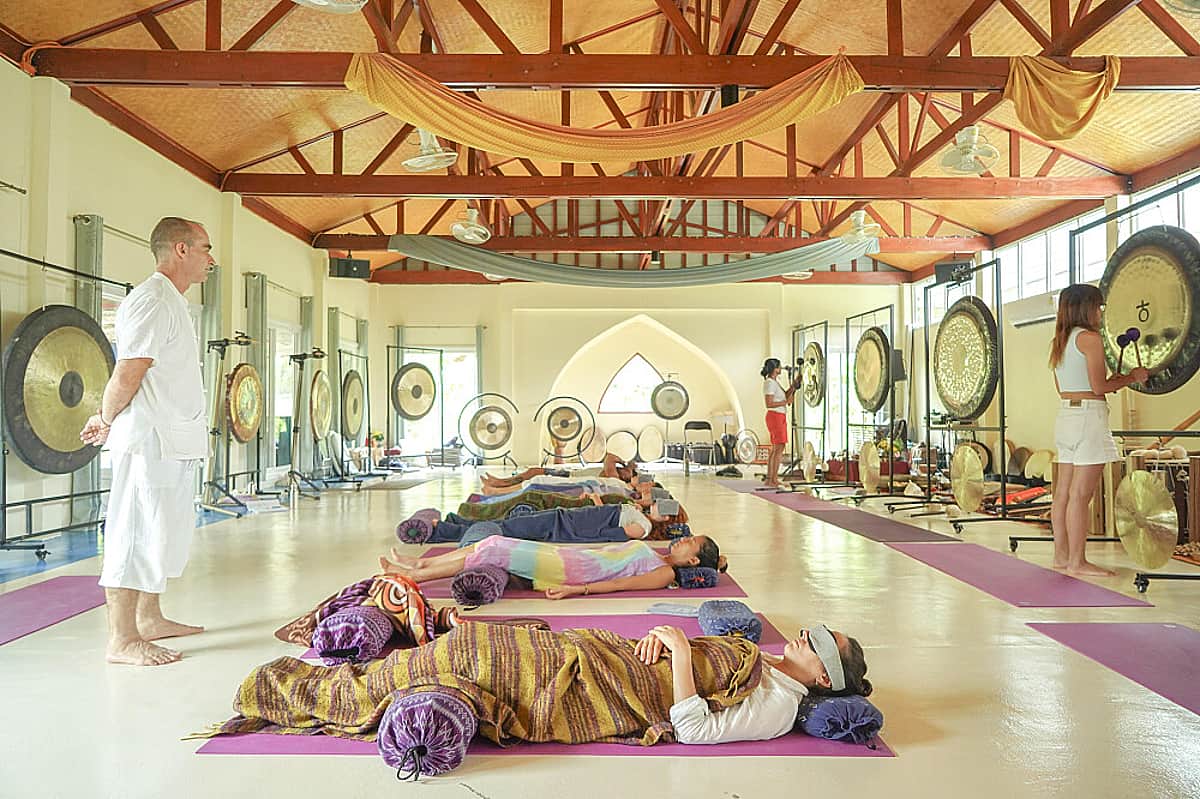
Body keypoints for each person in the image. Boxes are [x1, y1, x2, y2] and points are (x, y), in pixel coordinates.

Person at [79, 217, 214, 666]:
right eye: (204, 249)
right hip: (149, 440)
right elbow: (129, 371)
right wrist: (104, 417)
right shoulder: (152, 299)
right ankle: (121, 638)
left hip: (171, 439)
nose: (210, 259)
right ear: (180, 250)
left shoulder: (172, 302)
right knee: (133, 534)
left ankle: (149, 618)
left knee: (160, 533)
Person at [1048, 284, 1148, 577]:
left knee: (1063, 494)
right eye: (1098, 306)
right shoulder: (1090, 339)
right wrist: (1132, 377)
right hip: (1088, 419)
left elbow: (1065, 388)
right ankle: (1078, 562)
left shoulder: (1059, 341)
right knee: (1081, 495)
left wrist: (1114, 380)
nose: (1100, 312)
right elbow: (1098, 387)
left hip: (1066, 416)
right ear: (1086, 308)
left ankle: (1062, 557)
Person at [635, 623, 871, 743]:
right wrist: (659, 640)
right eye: (817, 631)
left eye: (819, 642)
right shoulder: (766, 660)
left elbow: (691, 730)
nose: (806, 634)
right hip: (639, 655)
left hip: (638, 684)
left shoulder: (779, 706)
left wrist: (680, 650)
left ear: (825, 679)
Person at [381, 533, 724, 599]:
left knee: (494, 550)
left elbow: (619, 586)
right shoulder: (658, 554)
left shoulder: (664, 573)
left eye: (690, 543)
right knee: (490, 542)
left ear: (692, 561)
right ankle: (420, 562)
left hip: (574, 573)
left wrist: (575, 590)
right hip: (573, 557)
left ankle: (415, 577)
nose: (683, 539)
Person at [428, 496, 688, 544]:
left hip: (564, 526)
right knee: (507, 524)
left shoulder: (643, 527)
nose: (654, 504)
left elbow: (608, 535)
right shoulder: (640, 515)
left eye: (661, 506)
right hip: (564, 518)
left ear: (666, 517)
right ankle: (456, 526)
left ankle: (444, 531)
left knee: (505, 529)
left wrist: (568, 535)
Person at [760, 358, 798, 488]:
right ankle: (773, 479)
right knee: (779, 448)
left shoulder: (775, 383)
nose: (781, 368)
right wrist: (786, 403)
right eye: (779, 367)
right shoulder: (769, 383)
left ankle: (771, 478)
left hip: (779, 416)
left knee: (777, 448)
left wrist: (793, 386)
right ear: (775, 369)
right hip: (775, 416)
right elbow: (769, 404)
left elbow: (786, 395)